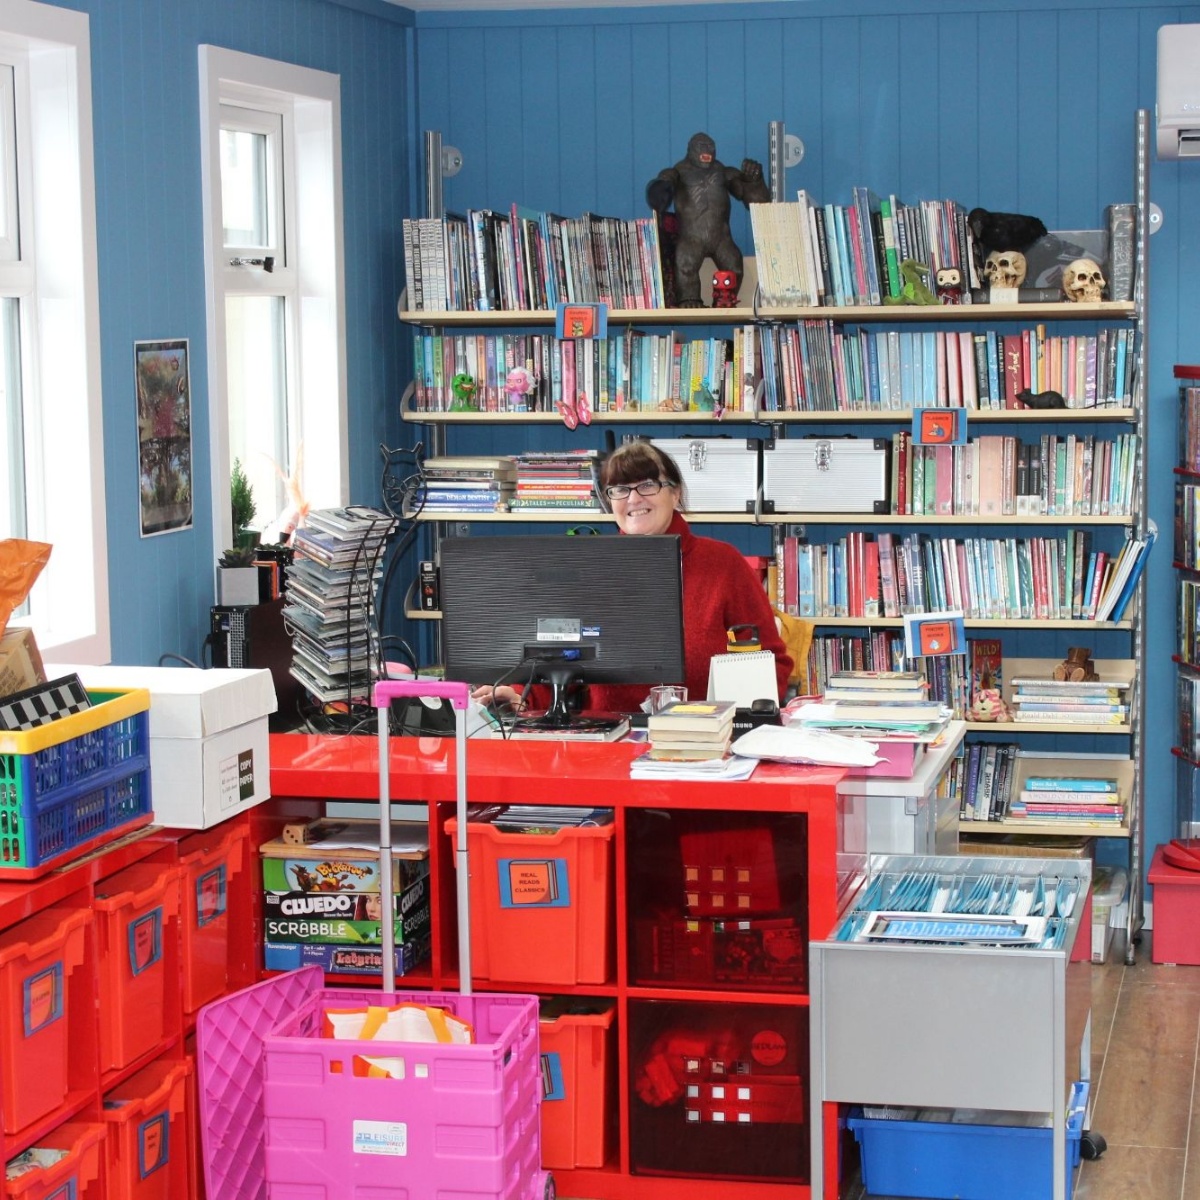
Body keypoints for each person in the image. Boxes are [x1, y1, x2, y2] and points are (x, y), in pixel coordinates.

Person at [472, 442, 792, 715]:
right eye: (620, 489)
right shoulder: (590, 568)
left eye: (648, 485)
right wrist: (520, 694)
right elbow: (557, 659)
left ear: (676, 493)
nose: (634, 499)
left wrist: (737, 726)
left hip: (706, 742)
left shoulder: (723, 563)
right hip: (610, 740)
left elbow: (771, 663)